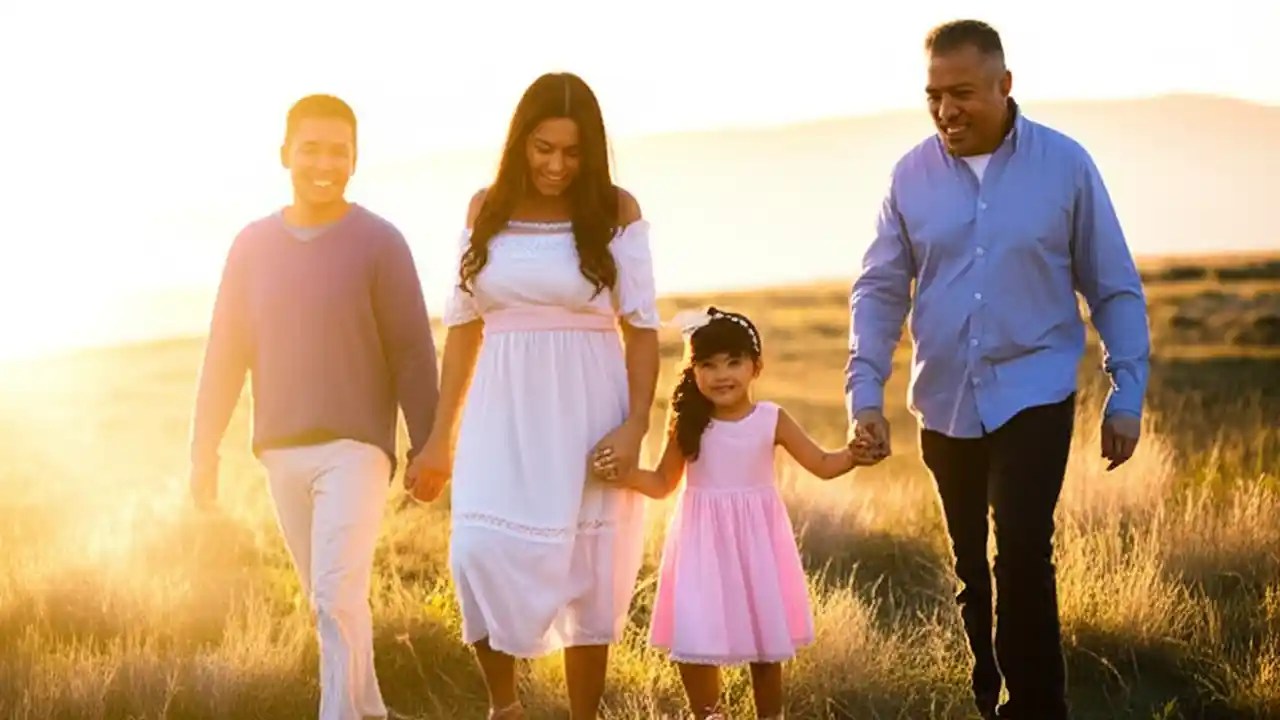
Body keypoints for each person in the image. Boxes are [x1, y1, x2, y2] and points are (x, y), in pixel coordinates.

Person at [845, 19, 1151, 720]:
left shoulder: (1065, 166)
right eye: (933, 96)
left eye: (961, 93)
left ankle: (1037, 707)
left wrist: (1126, 392)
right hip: (946, 400)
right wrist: (866, 392)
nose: (946, 110)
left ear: (1004, 86)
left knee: (1020, 552)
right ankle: (990, 696)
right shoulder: (910, 176)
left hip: (1033, 391)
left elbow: (1113, 285)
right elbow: (881, 289)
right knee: (971, 571)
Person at [405, 72, 660, 720]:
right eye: (543, 147)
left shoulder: (617, 211)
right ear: (521, 140)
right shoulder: (484, 209)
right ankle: (505, 705)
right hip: (501, 406)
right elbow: (463, 331)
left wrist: (634, 428)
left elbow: (643, 334)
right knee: (476, 554)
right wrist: (440, 439)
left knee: (588, 575)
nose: (556, 164)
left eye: (572, 152)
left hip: (590, 407)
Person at [189, 93, 439, 720]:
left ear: (356, 159)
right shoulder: (251, 246)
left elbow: (412, 350)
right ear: (284, 155)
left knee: (334, 593)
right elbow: (225, 351)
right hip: (281, 453)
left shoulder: (381, 242)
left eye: (339, 151)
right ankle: (371, 709)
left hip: (356, 449)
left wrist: (429, 444)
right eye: (311, 149)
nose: (325, 163)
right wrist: (203, 448)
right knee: (333, 597)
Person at [598, 306, 879, 720]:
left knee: (765, 645)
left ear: (756, 366)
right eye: (707, 365)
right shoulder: (688, 424)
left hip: (757, 543)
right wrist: (625, 475)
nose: (721, 374)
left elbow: (821, 463)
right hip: (701, 544)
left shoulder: (771, 419)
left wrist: (853, 457)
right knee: (696, 637)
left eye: (734, 362)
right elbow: (661, 483)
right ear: (693, 372)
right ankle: (709, 715)